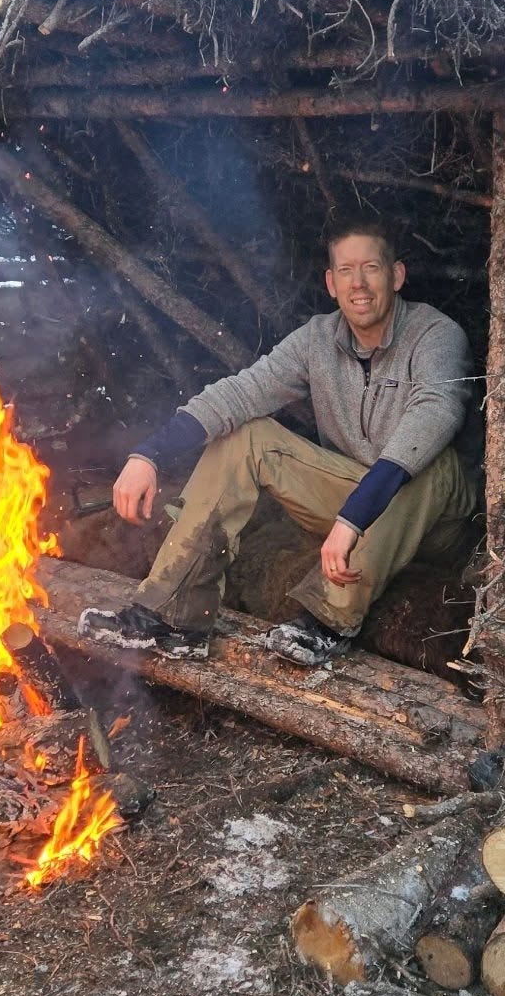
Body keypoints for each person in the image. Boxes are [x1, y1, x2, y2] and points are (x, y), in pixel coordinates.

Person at [79, 219, 478, 666]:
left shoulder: (436, 335)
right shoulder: (317, 339)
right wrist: (149, 454)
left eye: (371, 268)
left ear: (396, 275)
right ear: (331, 283)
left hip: (433, 522)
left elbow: (435, 414)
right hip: (351, 502)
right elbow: (241, 393)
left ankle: (328, 621)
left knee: (432, 461)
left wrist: (353, 518)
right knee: (245, 435)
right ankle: (174, 616)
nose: (359, 284)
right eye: (346, 271)